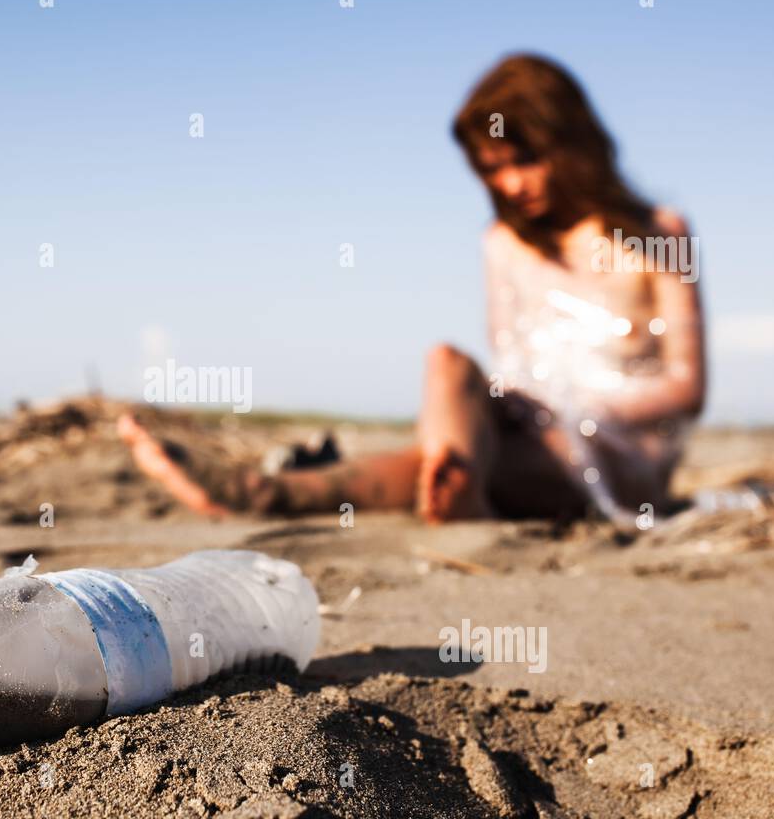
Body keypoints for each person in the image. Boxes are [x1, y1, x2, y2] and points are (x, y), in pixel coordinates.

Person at [120, 54, 706, 526]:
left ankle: (267, 492)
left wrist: (574, 409)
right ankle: (457, 490)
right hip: (523, 435)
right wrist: (516, 401)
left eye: (523, 160)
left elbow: (687, 387)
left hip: (618, 459)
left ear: (571, 140)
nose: (510, 183)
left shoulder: (659, 233)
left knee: (439, 459)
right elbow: (508, 361)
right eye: (491, 168)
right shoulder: (504, 242)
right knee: (446, 364)